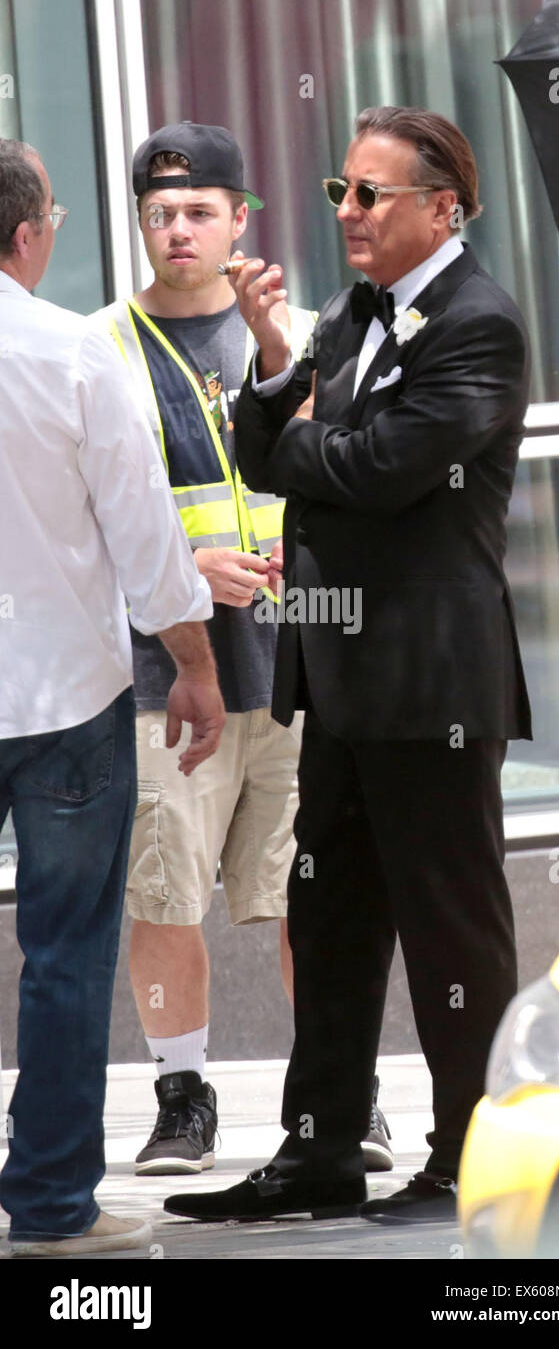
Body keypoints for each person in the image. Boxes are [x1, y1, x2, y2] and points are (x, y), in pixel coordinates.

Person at [163, 104, 532, 1228]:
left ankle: (474, 1156)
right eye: (339, 191)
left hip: (432, 684)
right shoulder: (347, 312)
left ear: (442, 207)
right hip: (340, 677)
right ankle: (319, 1148)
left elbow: (384, 467)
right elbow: (265, 448)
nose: (347, 212)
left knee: (449, 929)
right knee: (327, 922)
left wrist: (312, 448)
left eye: (370, 194)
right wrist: (282, 365)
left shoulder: (481, 324)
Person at [90, 124, 400, 1180]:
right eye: (158, 214)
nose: (177, 230)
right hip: (162, 677)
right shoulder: (102, 345)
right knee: (165, 890)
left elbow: (350, 472)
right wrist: (185, 560)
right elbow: (79, 516)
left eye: (198, 211)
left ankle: (342, 1090)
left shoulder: (303, 331)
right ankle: (183, 1099)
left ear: (240, 221)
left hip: (300, 666)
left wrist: (280, 354)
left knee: (311, 893)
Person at [0, 138, 225, 1256]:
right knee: (67, 953)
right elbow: (145, 537)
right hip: (67, 706)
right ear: (30, 234)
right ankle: (47, 1205)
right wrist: (193, 662)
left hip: (62, 701)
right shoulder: (74, 353)